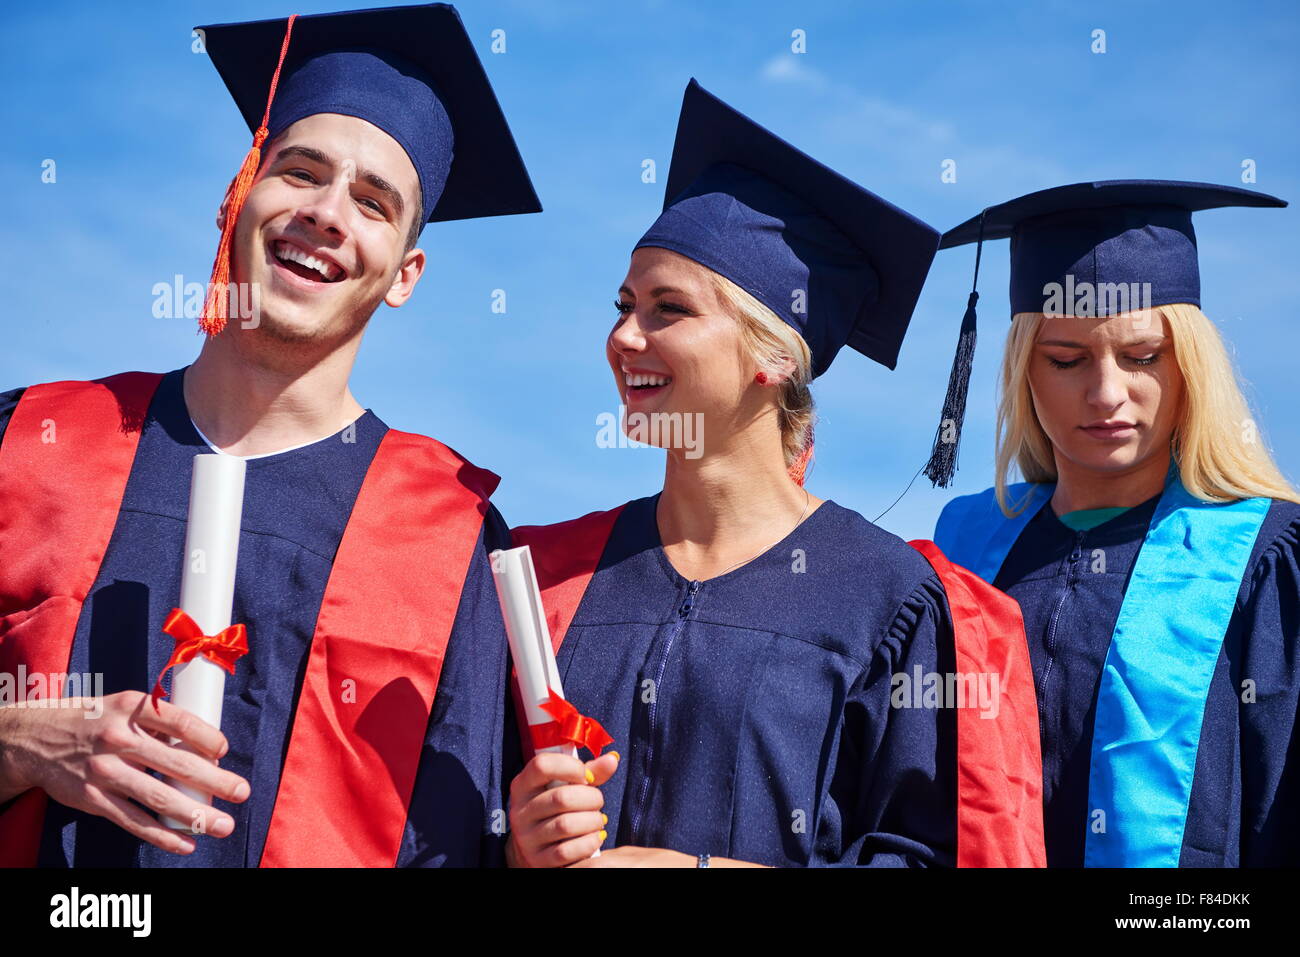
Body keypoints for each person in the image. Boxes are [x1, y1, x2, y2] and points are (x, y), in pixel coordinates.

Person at [0, 3, 540, 867]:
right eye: (299, 171)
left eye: (372, 202)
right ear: (240, 191)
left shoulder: (446, 538)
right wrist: (20, 737)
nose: (327, 213)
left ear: (406, 274)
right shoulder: (32, 445)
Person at [504, 80, 1046, 868]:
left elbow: (919, 854)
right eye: (622, 305)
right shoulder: (558, 578)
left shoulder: (885, 599)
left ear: (770, 357)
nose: (624, 335)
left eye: (668, 309)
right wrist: (518, 845)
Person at [930, 180, 1300, 866]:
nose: (1106, 393)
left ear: (1190, 364)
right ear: (1023, 371)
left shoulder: (1263, 556)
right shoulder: (963, 552)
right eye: (1066, 360)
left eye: (1142, 356)